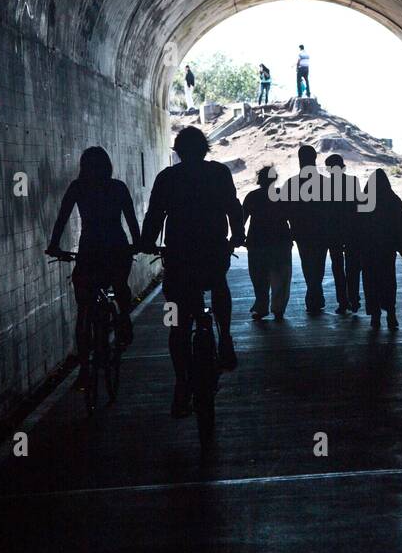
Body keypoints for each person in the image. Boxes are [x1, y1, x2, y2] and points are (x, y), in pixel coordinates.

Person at [139, 126, 245, 417]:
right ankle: (224, 338)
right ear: (205, 148)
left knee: (178, 323)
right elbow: (232, 208)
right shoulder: (219, 174)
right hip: (212, 250)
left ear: (178, 151)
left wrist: (147, 242)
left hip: (178, 256)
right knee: (219, 285)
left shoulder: (168, 178)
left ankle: (182, 382)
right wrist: (237, 235)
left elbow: (155, 215)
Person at [45, 147, 141, 391]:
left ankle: (85, 368)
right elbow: (131, 220)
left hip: (89, 251)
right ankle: (124, 318)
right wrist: (138, 244)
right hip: (117, 249)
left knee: (84, 306)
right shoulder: (118, 187)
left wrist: (54, 246)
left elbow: (61, 218)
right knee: (120, 285)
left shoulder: (78, 187)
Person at [356, 169, 402, 329]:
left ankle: (375, 315)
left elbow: (355, 225)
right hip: (387, 250)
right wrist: (401, 244)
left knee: (370, 281)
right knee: (388, 281)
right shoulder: (393, 200)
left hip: (368, 251)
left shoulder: (364, 200)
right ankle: (391, 314)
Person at [281, 144, 327, 314]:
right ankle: (315, 294)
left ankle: (314, 295)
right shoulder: (325, 183)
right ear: (314, 159)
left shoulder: (291, 183)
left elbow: (285, 210)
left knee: (307, 263)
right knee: (319, 263)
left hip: (301, 232)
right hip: (321, 231)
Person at [242, 165, 292, 320]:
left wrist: (238, 236)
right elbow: (292, 217)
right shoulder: (282, 195)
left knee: (259, 277)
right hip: (280, 241)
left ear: (260, 179)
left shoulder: (252, 196)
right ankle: (278, 308)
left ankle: (261, 306)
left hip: (257, 241)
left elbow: (242, 219)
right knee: (281, 277)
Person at [322, 153, 358, 314]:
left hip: (333, 233)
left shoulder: (325, 187)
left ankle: (343, 302)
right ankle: (354, 300)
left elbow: (324, 212)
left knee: (338, 267)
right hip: (351, 231)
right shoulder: (352, 182)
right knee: (352, 267)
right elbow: (357, 208)